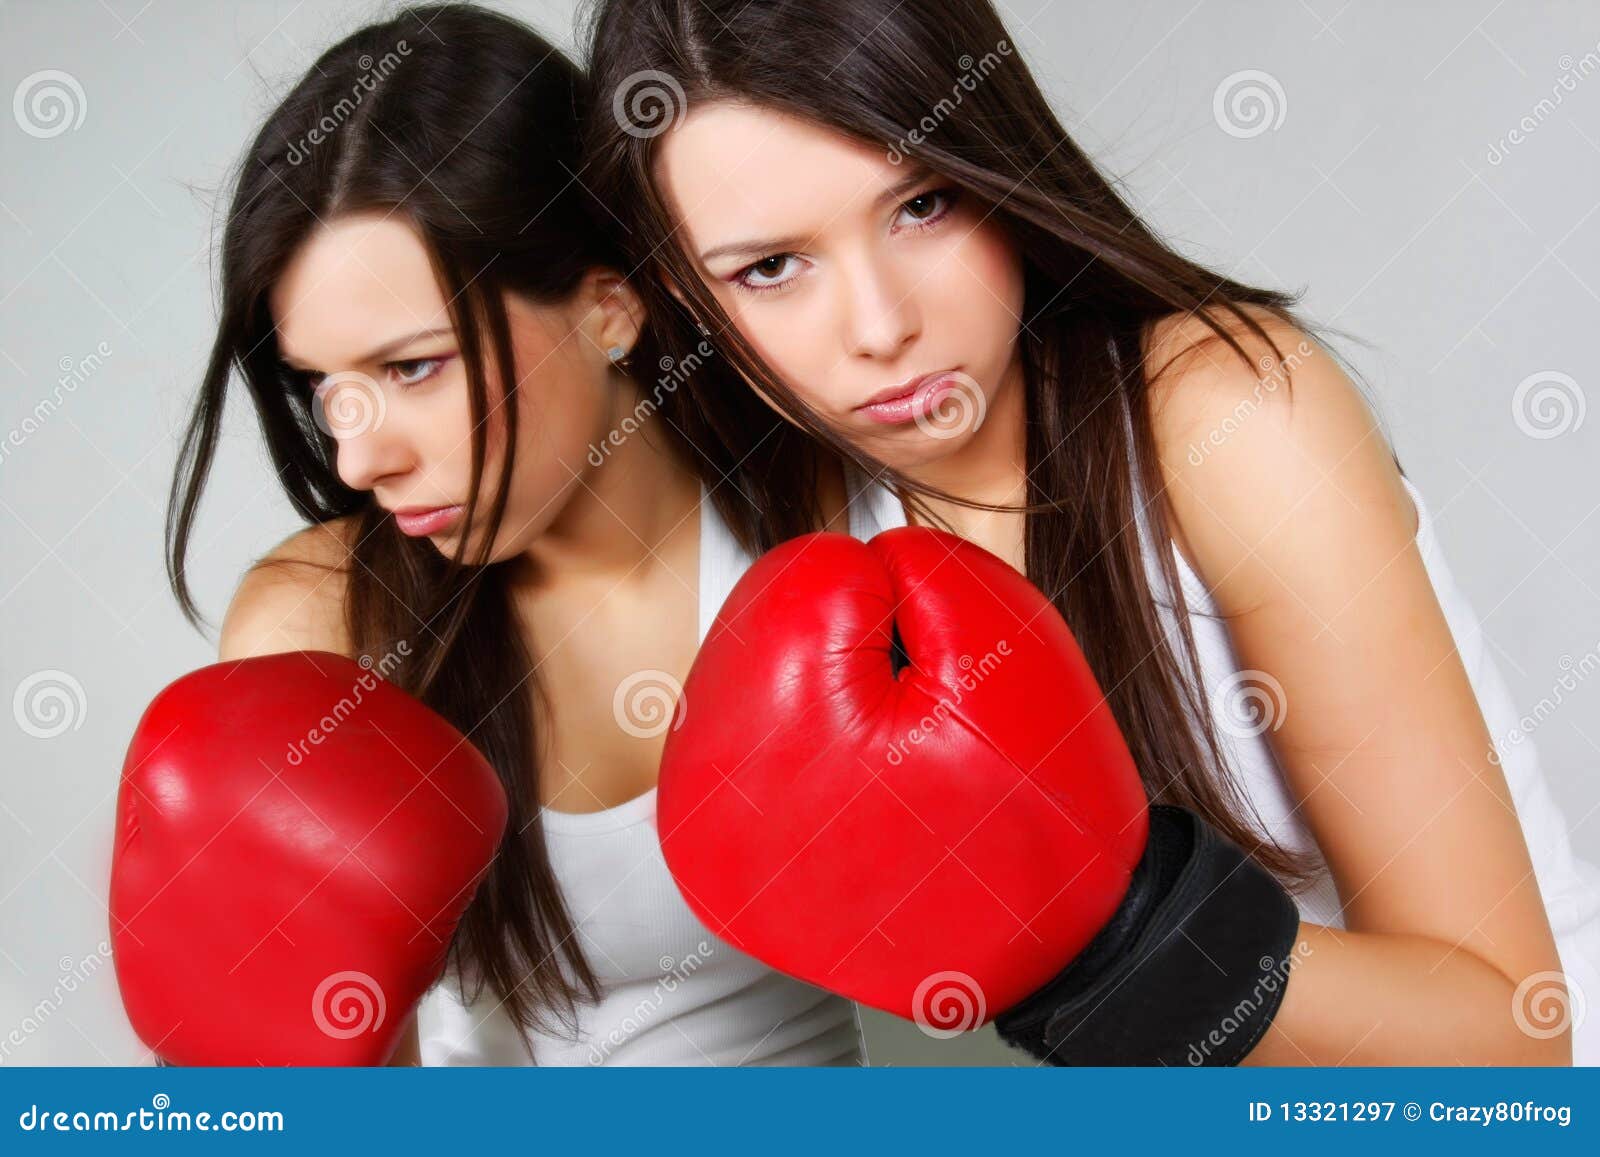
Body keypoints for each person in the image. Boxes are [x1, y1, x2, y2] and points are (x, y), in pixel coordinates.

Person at [581, 0, 1600, 1063]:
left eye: (922, 204)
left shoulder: (1223, 417)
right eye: (770, 269)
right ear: (683, 299)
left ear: (1000, 168)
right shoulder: (804, 529)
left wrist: (1093, 935)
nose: (881, 327)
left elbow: (1507, 1040)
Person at [165, 2, 875, 1066]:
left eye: (412, 366)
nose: (357, 461)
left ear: (608, 308)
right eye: (325, 385)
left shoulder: (832, 532)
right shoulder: (325, 626)